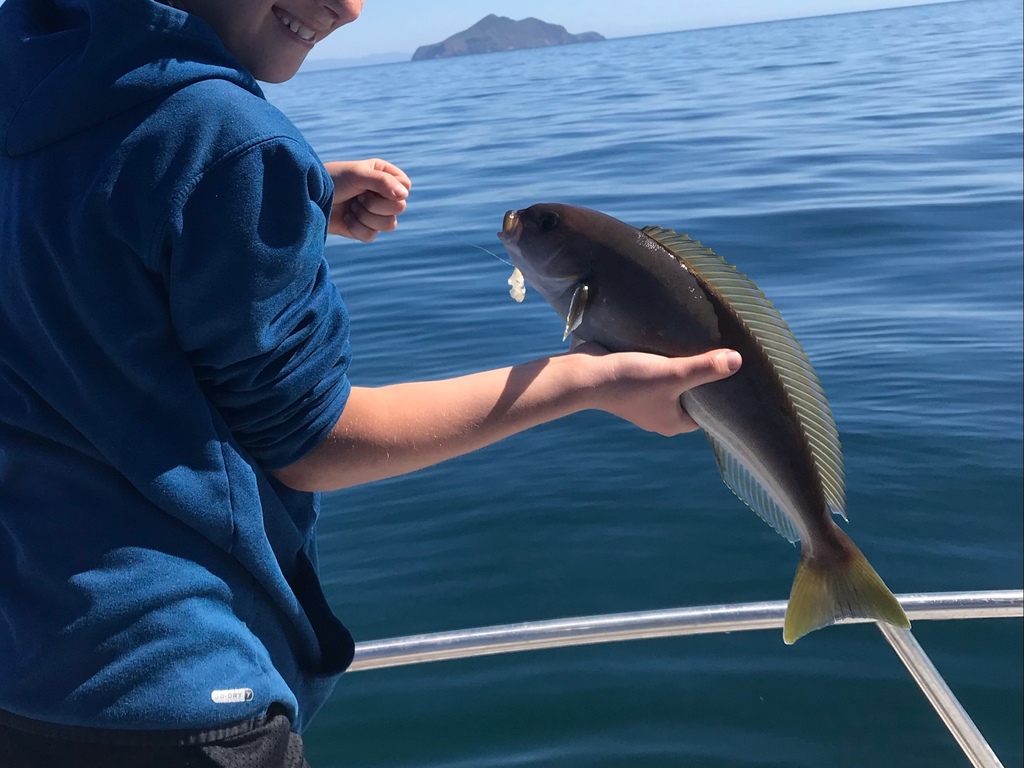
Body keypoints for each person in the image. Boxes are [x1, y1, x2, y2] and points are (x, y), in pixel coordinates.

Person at [0, 0, 742, 765]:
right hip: (177, 684)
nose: (350, 8)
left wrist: (294, 200)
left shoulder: (33, 69)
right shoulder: (229, 137)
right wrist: (587, 380)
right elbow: (315, 442)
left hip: (25, 665)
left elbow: (84, 225)